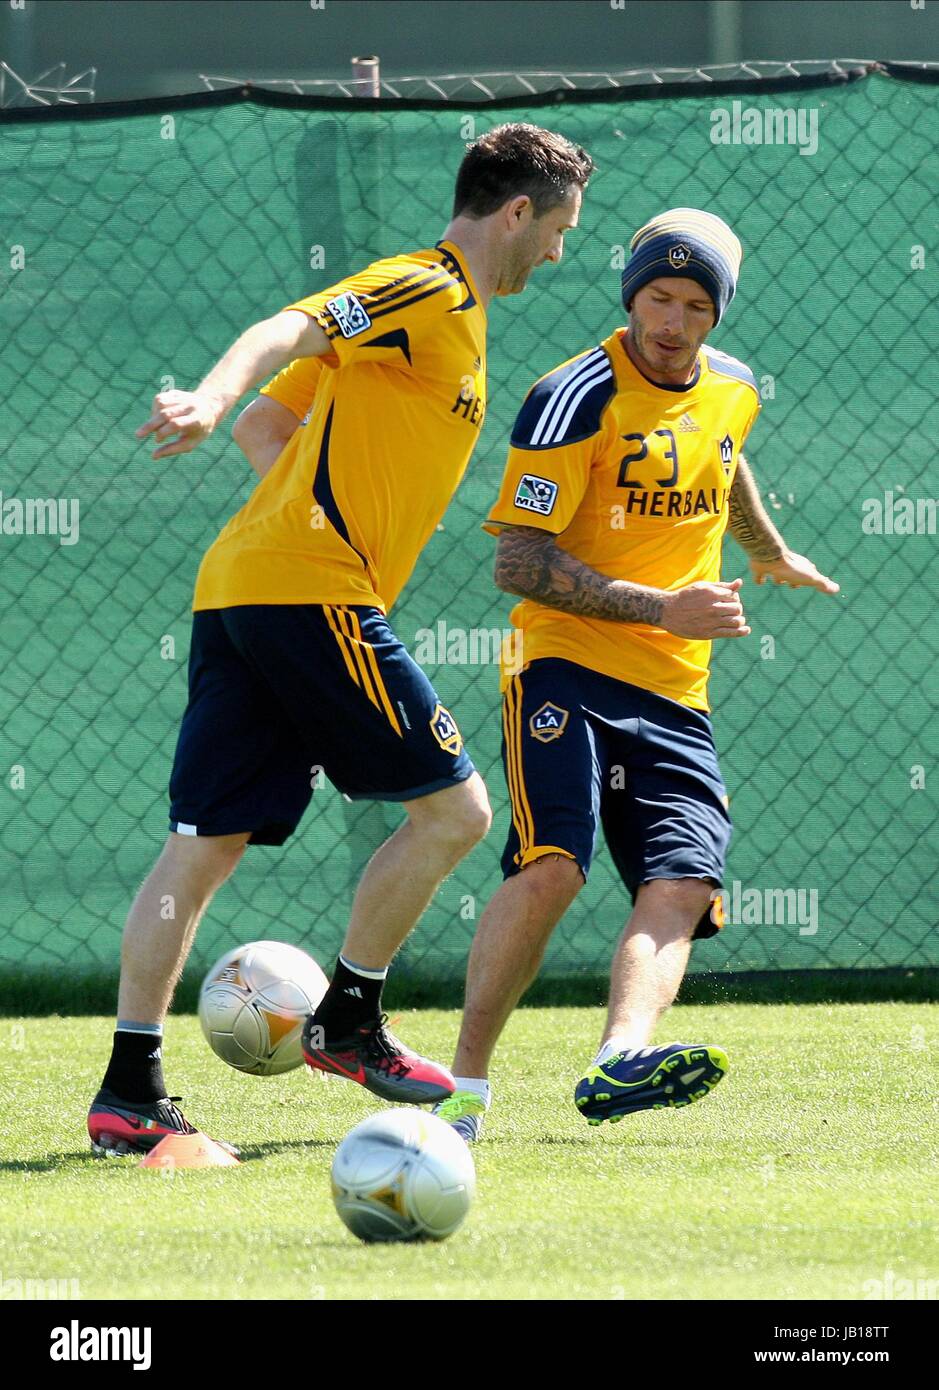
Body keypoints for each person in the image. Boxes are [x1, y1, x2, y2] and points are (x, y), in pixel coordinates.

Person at [87, 123, 594, 1156]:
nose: (558, 252)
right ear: (516, 213)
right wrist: (213, 394)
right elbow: (289, 330)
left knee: (204, 842)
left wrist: (301, 493)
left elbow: (267, 432)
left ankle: (128, 1092)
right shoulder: (429, 288)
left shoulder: (449, 322)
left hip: (244, 586)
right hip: (310, 593)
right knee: (458, 812)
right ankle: (350, 1017)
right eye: (558, 230)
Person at [432, 208, 840, 1143]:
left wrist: (766, 551)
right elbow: (519, 562)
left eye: (697, 305)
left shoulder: (733, 387)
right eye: (659, 296)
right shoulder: (572, 396)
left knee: (685, 881)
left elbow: (722, 458)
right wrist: (664, 608)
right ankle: (462, 1090)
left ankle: (619, 1061)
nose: (674, 320)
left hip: (673, 689)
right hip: (563, 665)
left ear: (717, 315)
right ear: (630, 294)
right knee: (551, 869)